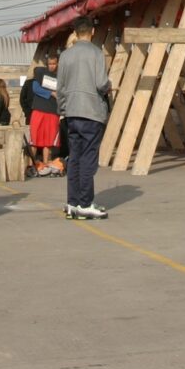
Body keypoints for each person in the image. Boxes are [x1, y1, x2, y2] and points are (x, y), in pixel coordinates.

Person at [58, 16, 112, 220]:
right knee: (89, 158)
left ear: (75, 32)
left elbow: (61, 87)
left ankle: (72, 203)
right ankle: (85, 203)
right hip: (91, 112)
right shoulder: (96, 53)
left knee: (74, 158)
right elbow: (100, 83)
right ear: (92, 31)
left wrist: (62, 110)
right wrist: (109, 85)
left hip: (71, 112)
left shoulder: (65, 56)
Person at [27, 50, 64, 176]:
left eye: (54, 64)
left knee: (48, 141)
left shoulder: (61, 77)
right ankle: (31, 165)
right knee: (34, 140)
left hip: (53, 112)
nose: (51, 66)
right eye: (50, 64)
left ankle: (46, 164)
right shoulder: (40, 73)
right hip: (39, 110)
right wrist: (51, 93)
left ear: (58, 63)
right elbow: (35, 88)